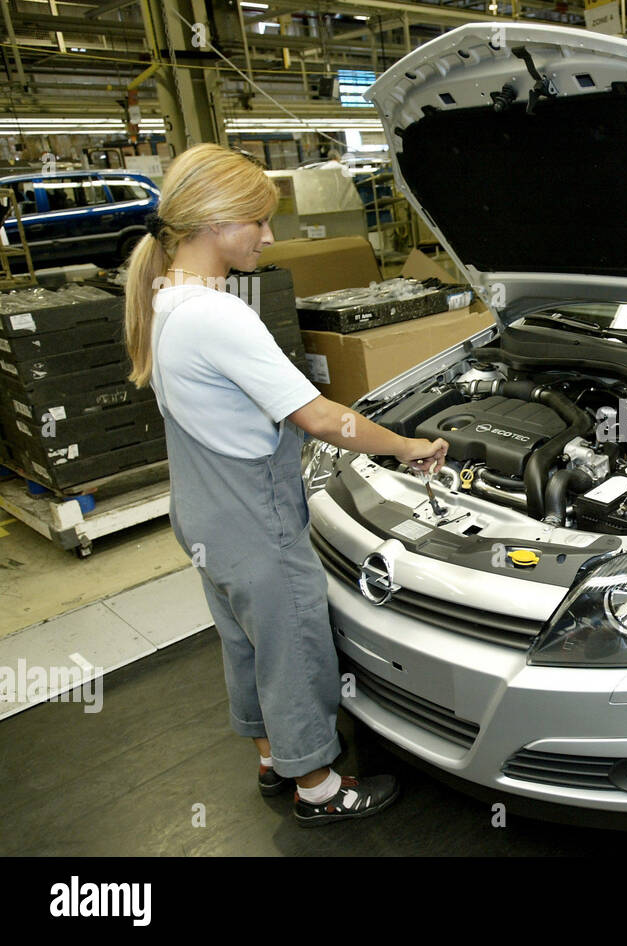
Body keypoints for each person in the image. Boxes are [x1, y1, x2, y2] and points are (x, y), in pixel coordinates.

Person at [123, 143, 448, 827]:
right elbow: (324, 418)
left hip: (204, 511)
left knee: (246, 641)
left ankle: (272, 755)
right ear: (214, 223)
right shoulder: (220, 314)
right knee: (294, 644)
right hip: (253, 515)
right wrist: (410, 447)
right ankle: (319, 785)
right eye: (258, 222)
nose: (269, 238)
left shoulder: (168, 298)